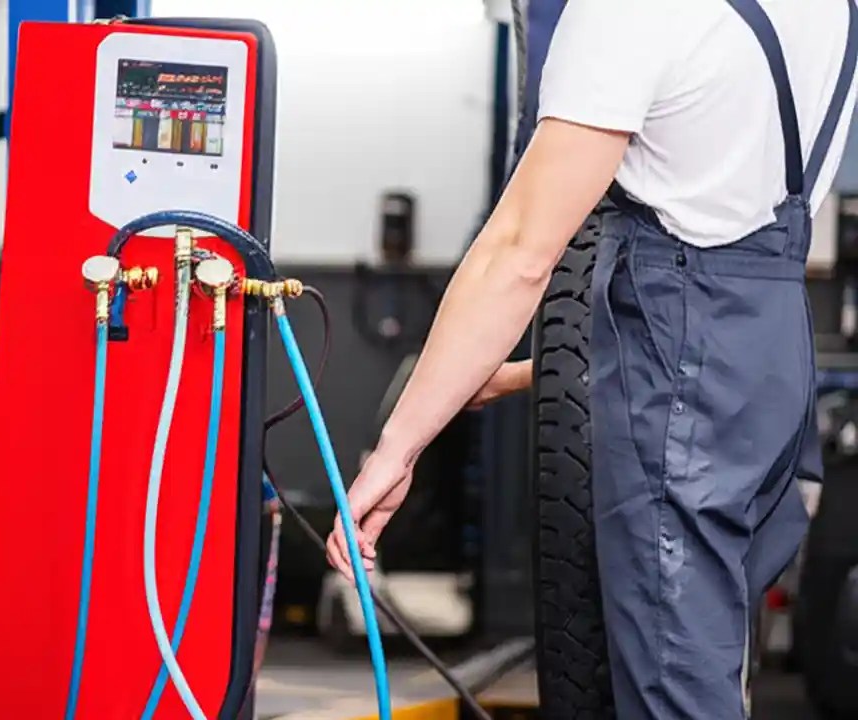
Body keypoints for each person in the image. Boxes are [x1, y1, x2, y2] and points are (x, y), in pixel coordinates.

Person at [325, 1, 858, 718]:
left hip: (685, 396)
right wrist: (521, 372)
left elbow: (519, 251)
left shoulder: (627, 12)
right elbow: (711, 230)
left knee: (676, 694)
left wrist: (398, 449)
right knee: (711, 660)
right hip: (766, 357)